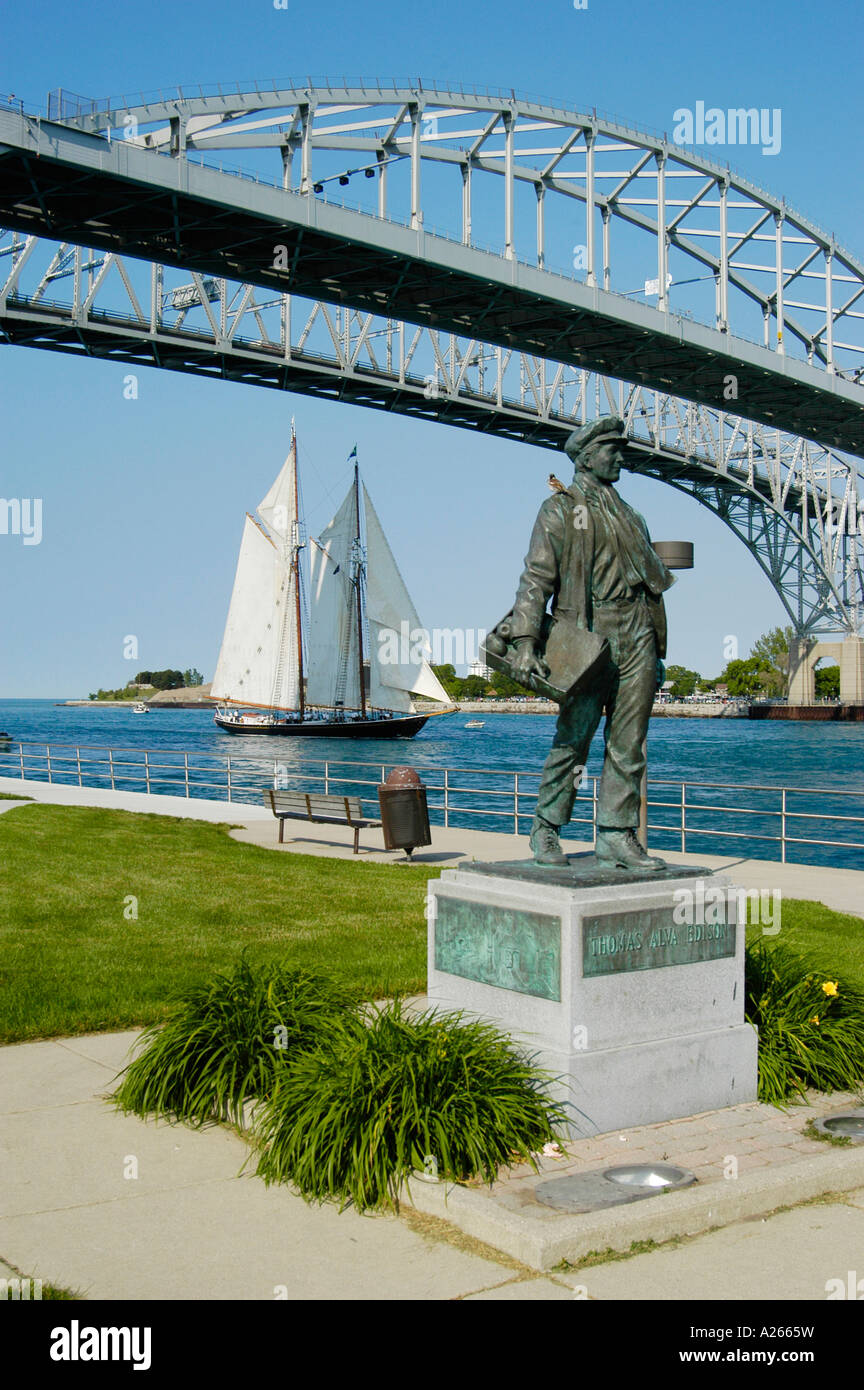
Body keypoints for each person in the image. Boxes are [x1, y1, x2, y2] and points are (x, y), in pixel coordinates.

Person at [508, 416, 675, 869]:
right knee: (574, 739)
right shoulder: (559, 509)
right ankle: (546, 826)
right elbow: (536, 579)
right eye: (611, 450)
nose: (620, 457)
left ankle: (617, 834)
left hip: (637, 631)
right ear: (585, 456)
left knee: (629, 743)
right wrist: (526, 641)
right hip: (588, 636)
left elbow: (650, 587)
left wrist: (657, 651)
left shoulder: (632, 516)